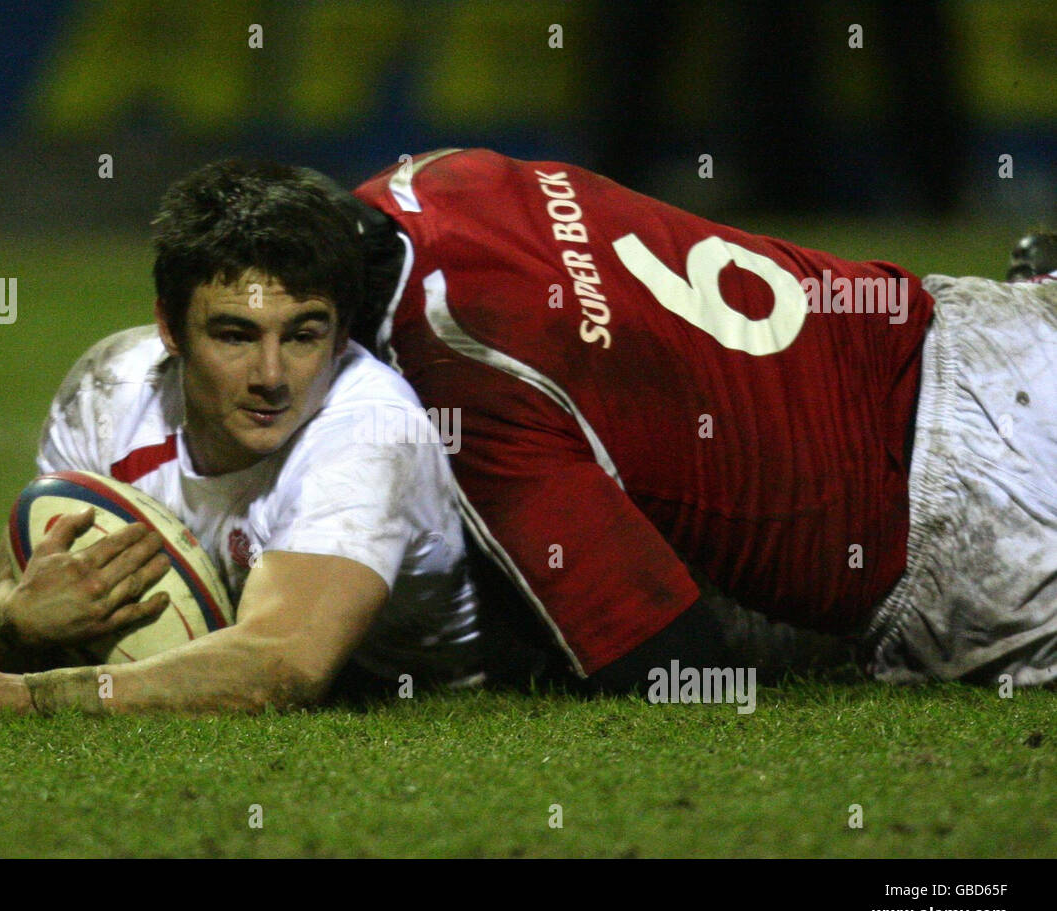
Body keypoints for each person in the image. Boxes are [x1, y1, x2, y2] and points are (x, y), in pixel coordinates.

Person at [350, 147, 1057, 689]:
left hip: (966, 525)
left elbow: (672, 661)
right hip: (972, 328)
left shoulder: (463, 373)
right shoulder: (437, 175)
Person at [0, 159, 482, 717]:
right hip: (224, 647)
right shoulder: (108, 391)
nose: (272, 377)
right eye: (235, 335)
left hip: (403, 683)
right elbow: (7, 599)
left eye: (303, 336)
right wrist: (17, 624)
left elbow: (283, 664)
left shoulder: (371, 428)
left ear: (341, 333)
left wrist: (28, 698)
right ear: (170, 328)